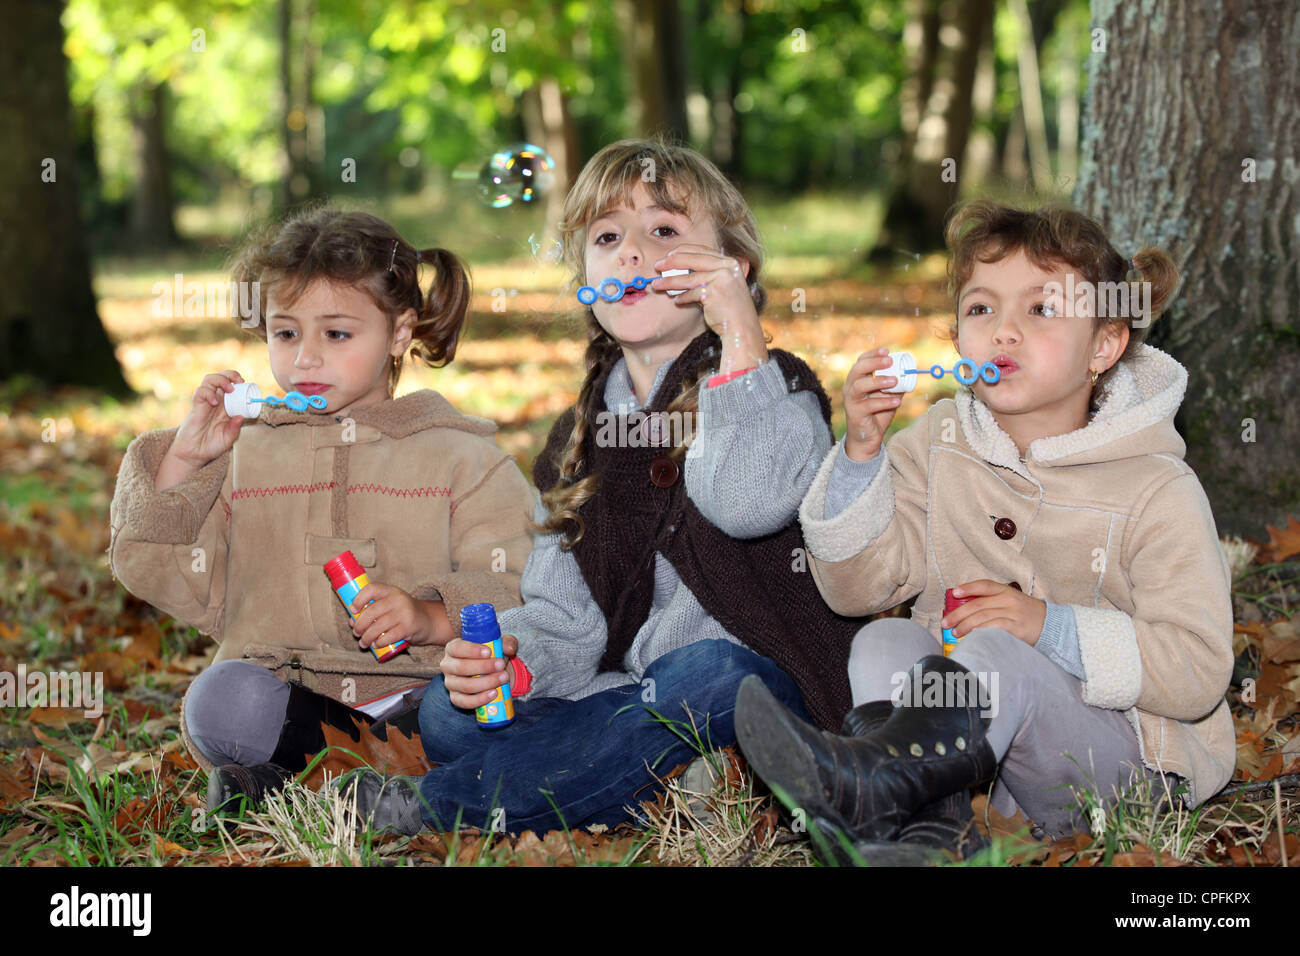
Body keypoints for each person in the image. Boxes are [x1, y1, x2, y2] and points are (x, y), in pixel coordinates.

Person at [341, 139, 865, 835]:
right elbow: (563, 622)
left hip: (763, 691)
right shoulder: (578, 439)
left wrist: (741, 333)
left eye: (665, 232)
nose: (633, 254)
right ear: (587, 276)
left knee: (709, 674)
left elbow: (745, 504)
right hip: (624, 696)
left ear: (732, 269)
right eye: (608, 237)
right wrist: (512, 666)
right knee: (447, 713)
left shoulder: (777, 387)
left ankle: (447, 806)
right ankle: (669, 778)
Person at [734, 200, 1236, 861]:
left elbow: (1198, 667)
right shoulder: (941, 444)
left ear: (1105, 345)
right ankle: (928, 834)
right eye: (980, 310)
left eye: (1040, 310)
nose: (1004, 331)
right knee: (885, 638)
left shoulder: (1157, 487)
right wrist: (860, 454)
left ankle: (869, 789)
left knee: (1000, 652)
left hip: (1122, 772)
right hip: (1003, 781)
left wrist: (1046, 626)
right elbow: (856, 591)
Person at [108, 208, 535, 814]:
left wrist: (429, 615)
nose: (305, 359)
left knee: (468, 714)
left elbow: (524, 582)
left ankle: (331, 784)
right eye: (286, 334)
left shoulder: (459, 453)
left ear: (397, 332)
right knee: (218, 699)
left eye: (335, 334)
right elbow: (164, 577)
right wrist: (184, 461)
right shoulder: (247, 452)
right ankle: (330, 782)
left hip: (422, 703)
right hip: (295, 701)